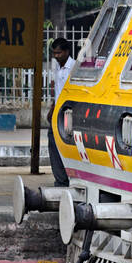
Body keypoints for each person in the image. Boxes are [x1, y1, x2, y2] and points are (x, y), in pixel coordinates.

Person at [46, 37, 75, 187]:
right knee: (53, 142)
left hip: (68, 114)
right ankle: (60, 179)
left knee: (66, 145)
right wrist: (52, 108)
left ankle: (66, 179)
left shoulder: (73, 68)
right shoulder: (56, 67)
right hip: (57, 112)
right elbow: (56, 90)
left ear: (66, 52)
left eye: (59, 53)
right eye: (54, 53)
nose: (56, 56)